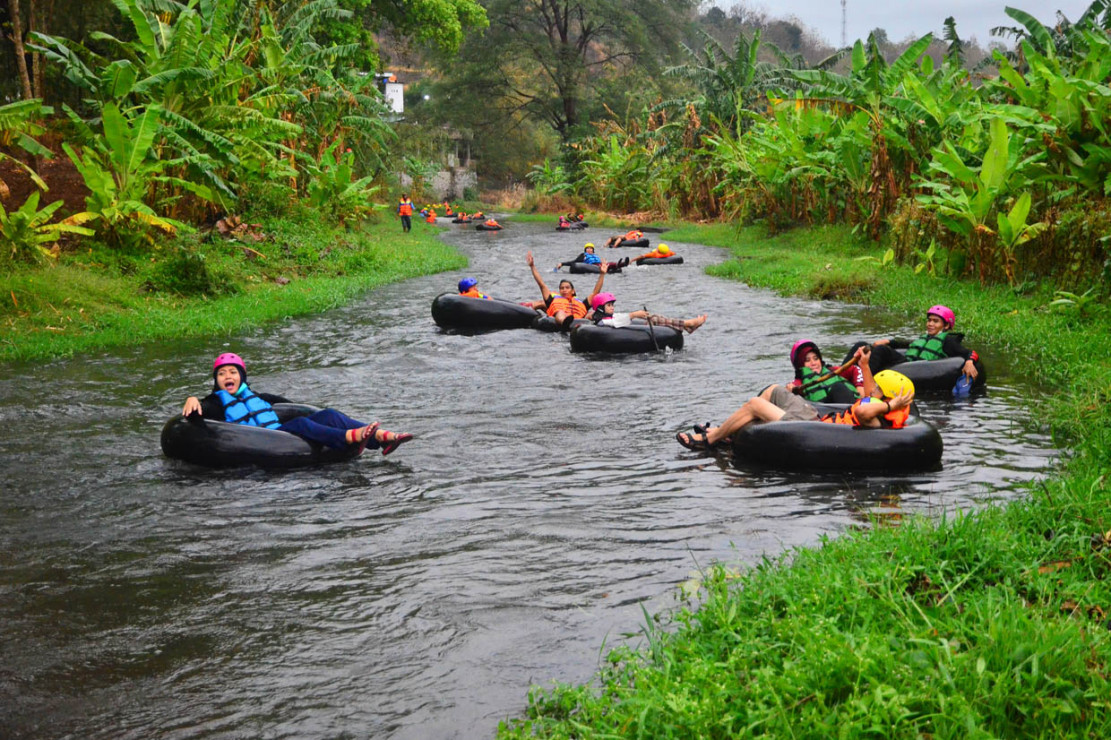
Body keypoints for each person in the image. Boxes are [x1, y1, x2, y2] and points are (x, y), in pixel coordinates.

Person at [676, 346, 914, 451]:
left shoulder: (878, 417)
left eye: (881, 392)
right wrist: (863, 364)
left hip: (810, 429)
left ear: (889, 399)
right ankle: (730, 433)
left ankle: (710, 440)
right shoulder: (880, 405)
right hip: (816, 417)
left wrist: (891, 404)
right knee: (773, 390)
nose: (876, 391)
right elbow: (872, 392)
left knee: (755, 404)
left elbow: (863, 410)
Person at [182, 353, 414, 456]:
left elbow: (293, 407)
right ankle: (353, 437)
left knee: (329, 414)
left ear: (242, 377)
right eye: (222, 374)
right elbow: (196, 417)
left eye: (233, 372)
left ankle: (383, 438)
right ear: (216, 381)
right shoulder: (215, 403)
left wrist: (312, 414)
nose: (227, 376)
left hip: (279, 430)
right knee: (302, 424)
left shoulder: (259, 396)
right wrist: (193, 399)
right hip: (264, 440)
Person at [847, 304, 980, 381]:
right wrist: (889, 341)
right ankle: (843, 375)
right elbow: (909, 344)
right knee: (861, 345)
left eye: (935, 321)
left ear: (945, 326)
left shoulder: (948, 341)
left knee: (882, 351)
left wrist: (969, 362)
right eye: (929, 320)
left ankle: (862, 381)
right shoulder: (926, 338)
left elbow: (969, 352)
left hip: (914, 368)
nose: (930, 324)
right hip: (906, 360)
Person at [523, 251, 606, 330]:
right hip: (563, 322)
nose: (564, 290)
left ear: (573, 291)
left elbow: (596, 292)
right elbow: (542, 284)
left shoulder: (582, 303)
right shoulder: (552, 300)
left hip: (579, 322)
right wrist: (532, 266)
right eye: (562, 288)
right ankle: (564, 322)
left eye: (567, 288)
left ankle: (603, 324)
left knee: (591, 313)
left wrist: (602, 274)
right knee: (560, 313)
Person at [787, 339, 863, 404]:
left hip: (852, 406)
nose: (813, 363)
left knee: (861, 345)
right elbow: (784, 392)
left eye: (816, 358)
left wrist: (859, 386)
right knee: (838, 388)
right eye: (807, 360)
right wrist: (790, 391)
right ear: (800, 365)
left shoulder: (833, 371)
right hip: (827, 414)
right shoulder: (798, 383)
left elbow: (855, 369)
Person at [590, 292, 707, 333]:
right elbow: (615, 322)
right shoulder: (602, 322)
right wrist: (633, 315)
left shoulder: (609, 317)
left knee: (654, 318)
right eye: (609, 305)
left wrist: (636, 315)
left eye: (612, 305)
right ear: (600, 308)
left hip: (632, 326)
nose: (612, 308)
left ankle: (687, 326)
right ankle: (688, 324)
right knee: (656, 320)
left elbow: (618, 317)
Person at [555, 243, 628, 271]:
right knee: (608, 265)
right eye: (587, 248)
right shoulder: (583, 255)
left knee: (610, 263)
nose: (589, 250)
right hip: (593, 266)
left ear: (593, 250)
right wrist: (562, 264)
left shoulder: (595, 255)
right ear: (585, 250)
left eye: (590, 248)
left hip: (599, 264)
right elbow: (574, 262)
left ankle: (623, 264)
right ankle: (619, 264)